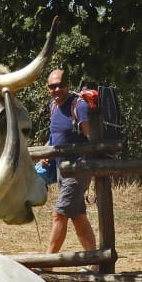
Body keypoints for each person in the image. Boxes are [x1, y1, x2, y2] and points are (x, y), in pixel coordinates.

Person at [42, 69, 97, 261]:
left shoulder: (79, 106)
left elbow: (92, 140)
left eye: (60, 85)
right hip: (61, 169)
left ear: (68, 85)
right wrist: (46, 153)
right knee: (78, 217)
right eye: (52, 86)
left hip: (78, 170)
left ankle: (47, 262)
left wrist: (87, 168)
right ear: (47, 88)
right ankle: (94, 262)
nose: (57, 89)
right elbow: (56, 135)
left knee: (59, 214)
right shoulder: (54, 106)